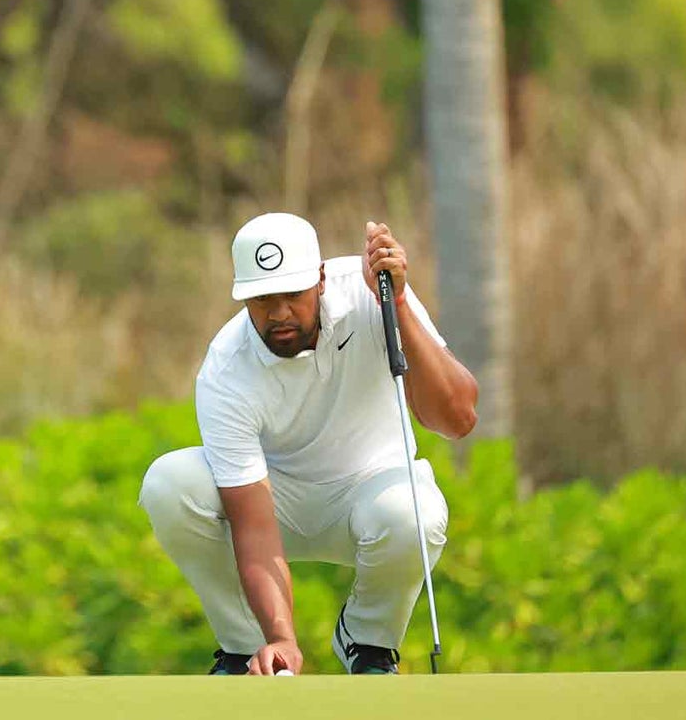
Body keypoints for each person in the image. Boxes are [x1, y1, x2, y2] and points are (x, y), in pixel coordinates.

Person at [138, 213, 478, 675]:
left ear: (320, 279)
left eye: (291, 294)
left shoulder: (372, 294)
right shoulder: (226, 368)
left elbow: (457, 419)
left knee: (415, 512)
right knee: (169, 484)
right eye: (261, 299)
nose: (278, 313)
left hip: (372, 493)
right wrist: (280, 635)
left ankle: (368, 641)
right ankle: (247, 648)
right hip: (278, 503)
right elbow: (253, 524)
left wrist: (396, 304)